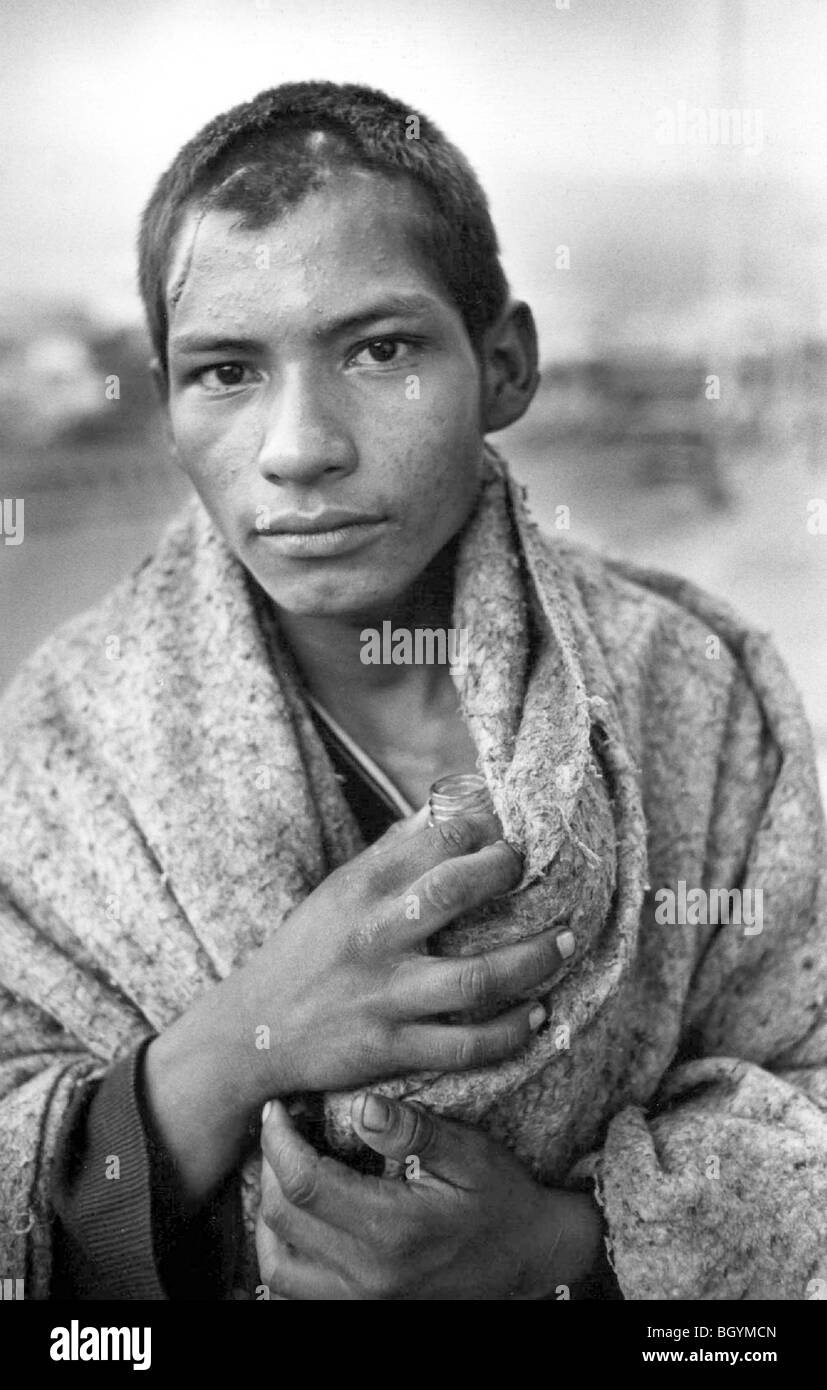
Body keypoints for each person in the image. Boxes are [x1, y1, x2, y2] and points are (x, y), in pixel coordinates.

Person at [1, 81, 825, 1302]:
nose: (297, 446)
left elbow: (806, 1087)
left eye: (378, 350)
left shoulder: (698, 688)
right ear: (168, 410)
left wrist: (564, 1249)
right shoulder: (60, 739)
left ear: (504, 365)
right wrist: (243, 1038)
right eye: (226, 371)